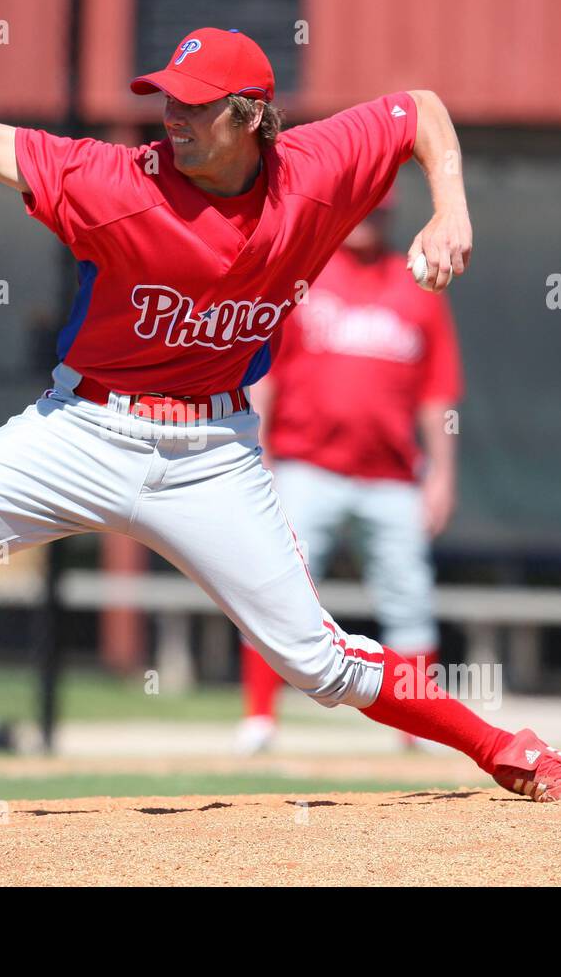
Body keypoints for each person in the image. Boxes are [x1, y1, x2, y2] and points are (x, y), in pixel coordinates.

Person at [0, 28, 561, 826]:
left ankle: (506, 749)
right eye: (166, 97)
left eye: (196, 105)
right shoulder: (117, 184)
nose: (172, 116)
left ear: (252, 116)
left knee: (320, 665)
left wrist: (452, 207)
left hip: (213, 454)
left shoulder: (316, 169)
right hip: (83, 428)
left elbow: (421, 112)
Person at [236, 196, 461, 754]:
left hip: (391, 476)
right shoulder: (307, 277)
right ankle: (260, 718)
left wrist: (442, 475)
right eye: (363, 210)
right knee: (275, 587)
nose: (371, 220)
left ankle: (418, 726)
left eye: (382, 212)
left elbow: (438, 395)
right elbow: (266, 371)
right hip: (306, 466)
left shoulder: (417, 288)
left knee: (408, 596)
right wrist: (256, 448)